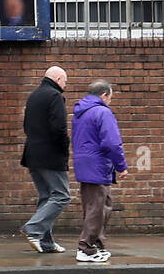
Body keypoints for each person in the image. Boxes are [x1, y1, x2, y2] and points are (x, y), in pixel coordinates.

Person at [71, 80, 128, 263]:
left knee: (99, 206)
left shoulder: (80, 113)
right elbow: (112, 142)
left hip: (85, 164)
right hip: (97, 165)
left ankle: (96, 245)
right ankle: (86, 248)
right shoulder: (103, 112)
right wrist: (121, 166)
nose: (110, 101)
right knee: (97, 208)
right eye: (110, 97)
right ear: (104, 95)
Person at [19, 66, 71, 254]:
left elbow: (26, 126)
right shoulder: (55, 96)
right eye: (65, 81)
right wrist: (65, 149)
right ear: (57, 79)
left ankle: (46, 242)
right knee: (61, 196)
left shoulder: (33, 96)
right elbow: (59, 129)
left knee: (46, 197)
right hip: (50, 155)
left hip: (32, 154)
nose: (65, 84)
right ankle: (33, 229)